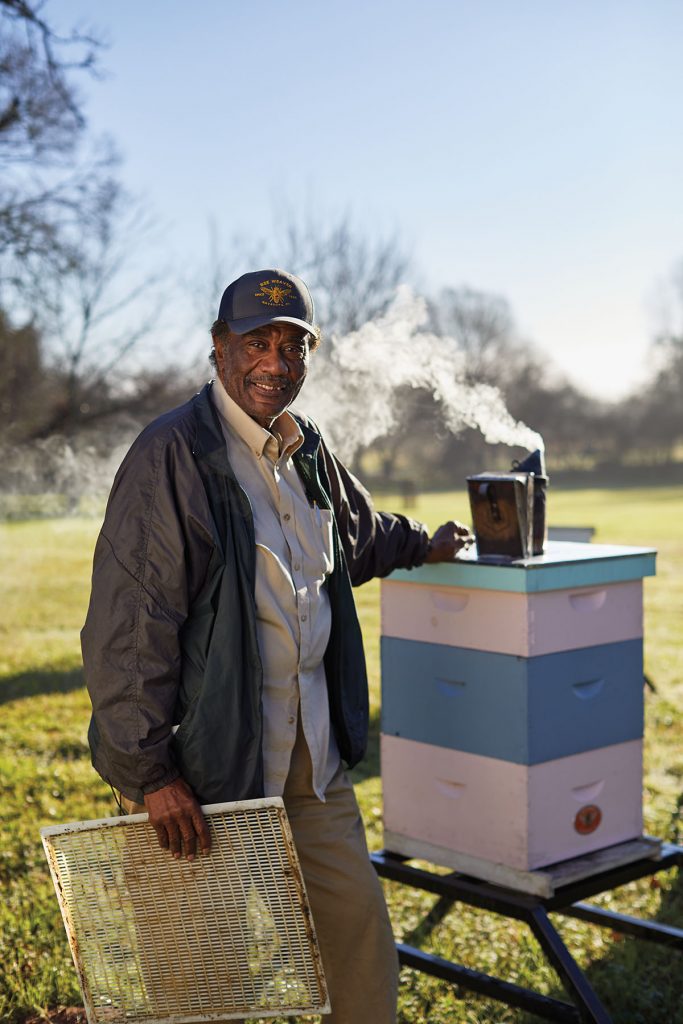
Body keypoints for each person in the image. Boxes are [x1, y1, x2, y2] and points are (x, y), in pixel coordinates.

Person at [81, 268, 473, 1024]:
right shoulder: (173, 454)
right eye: (255, 343)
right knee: (202, 984)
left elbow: (351, 536)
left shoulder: (304, 447)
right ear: (218, 349)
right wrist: (149, 772)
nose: (275, 362)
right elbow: (131, 626)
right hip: (200, 775)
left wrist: (425, 543)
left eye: (292, 346)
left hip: (310, 765)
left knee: (359, 947)